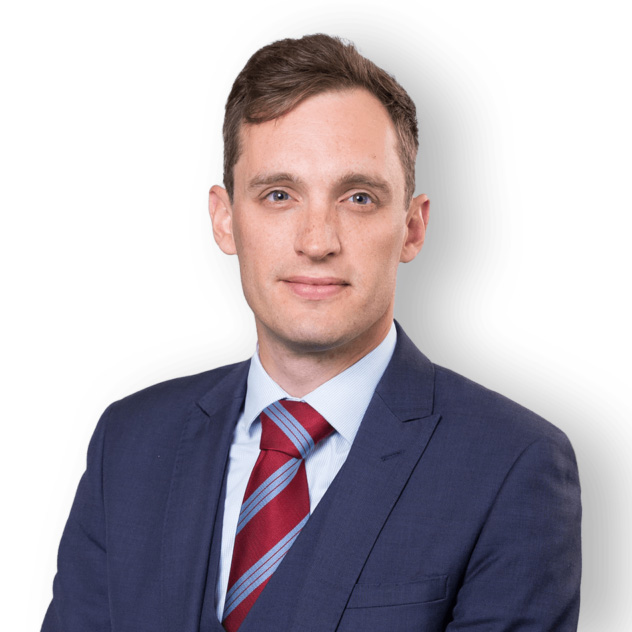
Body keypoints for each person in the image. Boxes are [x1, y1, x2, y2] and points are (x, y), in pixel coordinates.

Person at [41, 34, 581, 632]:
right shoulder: (130, 442)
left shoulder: (512, 465)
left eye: (358, 197)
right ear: (225, 219)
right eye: (279, 195)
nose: (317, 240)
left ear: (411, 227)